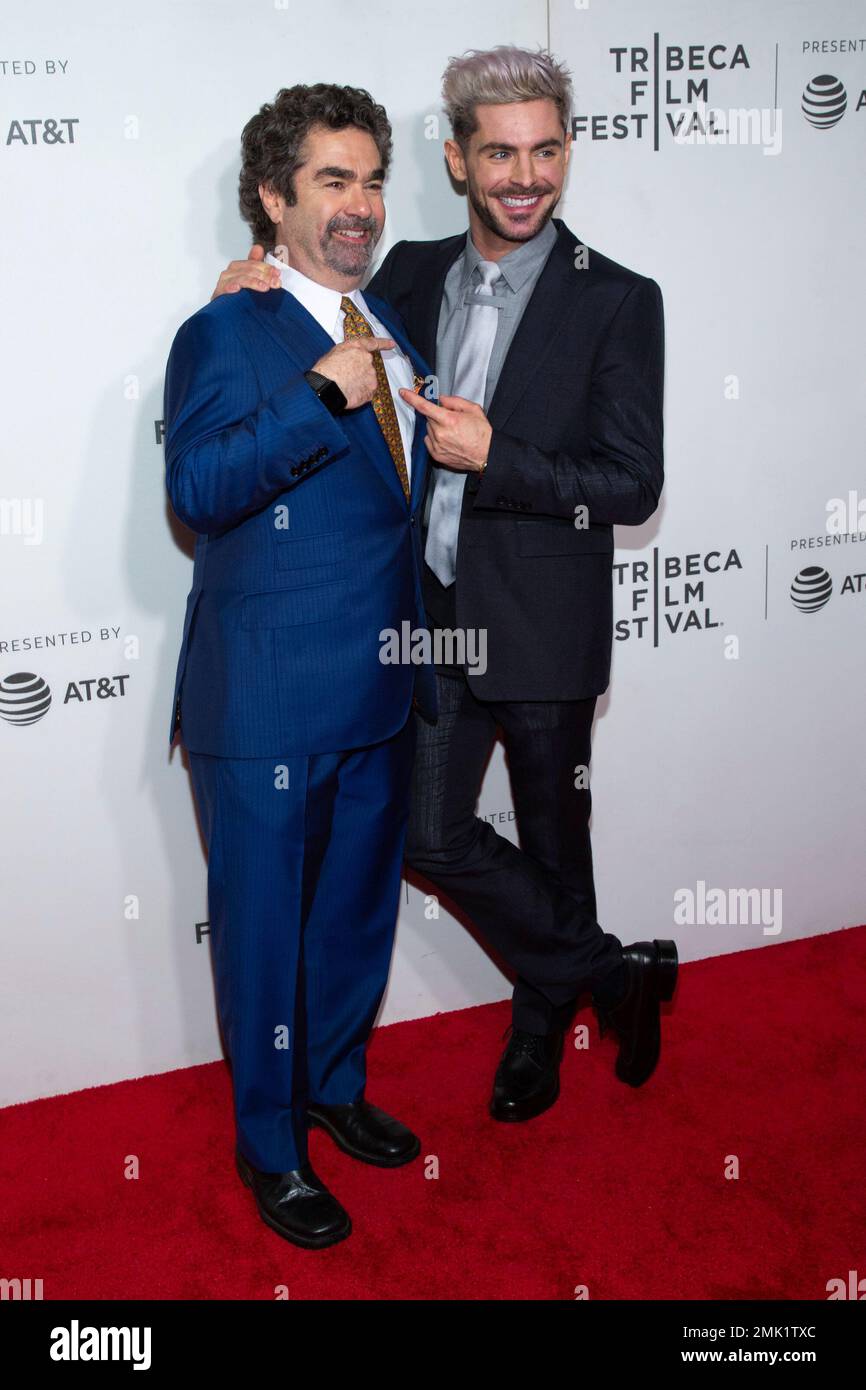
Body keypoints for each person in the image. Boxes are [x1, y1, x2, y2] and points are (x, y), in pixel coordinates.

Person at [211, 46, 677, 1128]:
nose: (525, 177)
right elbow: (317, 309)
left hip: (545, 622)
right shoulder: (407, 273)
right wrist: (251, 272)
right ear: (459, 160)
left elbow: (631, 481)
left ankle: (537, 1029)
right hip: (424, 620)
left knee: (558, 845)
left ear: (565, 153)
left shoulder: (615, 299)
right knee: (424, 830)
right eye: (500, 154)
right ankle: (611, 975)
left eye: (545, 151)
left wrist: (497, 456)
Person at [164, 82, 436, 1250]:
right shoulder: (224, 329)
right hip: (265, 703)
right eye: (331, 179)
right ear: (273, 198)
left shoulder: (385, 321)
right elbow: (197, 491)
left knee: (351, 919)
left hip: (376, 689)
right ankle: (268, 1145)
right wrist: (320, 395)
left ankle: (332, 1085)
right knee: (267, 932)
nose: (360, 203)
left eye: (371, 177)